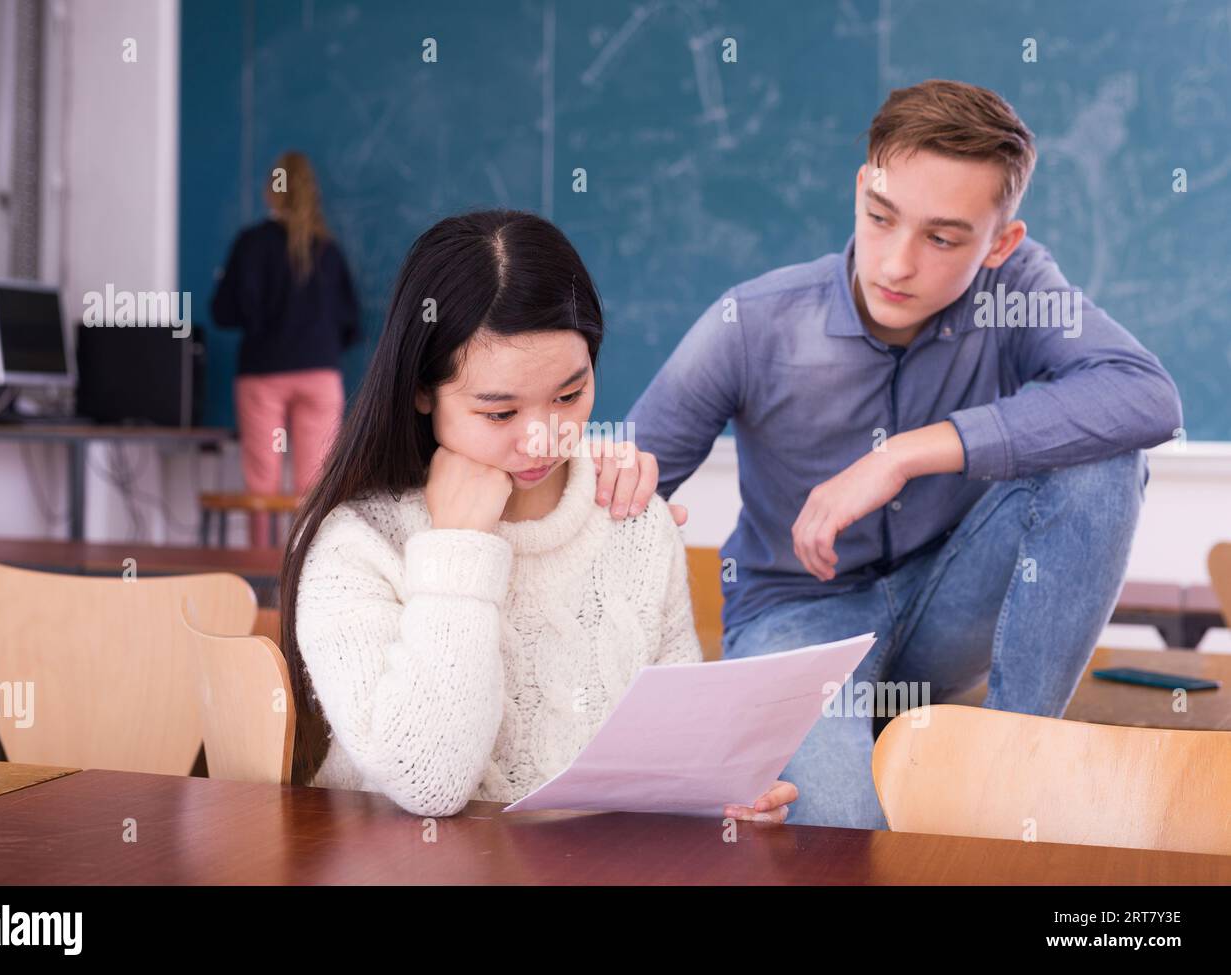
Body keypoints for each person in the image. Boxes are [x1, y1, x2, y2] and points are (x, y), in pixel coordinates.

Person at [626, 79, 1183, 830]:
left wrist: (907, 455)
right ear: (862, 186)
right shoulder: (750, 323)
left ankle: (1017, 758)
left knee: (1105, 460)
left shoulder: (1014, 290)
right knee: (849, 842)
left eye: (943, 238)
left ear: (1000, 245)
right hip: (796, 621)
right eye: (880, 217)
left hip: (942, 608)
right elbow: (617, 494)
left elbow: (1146, 397)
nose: (894, 263)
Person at [278, 209, 797, 821]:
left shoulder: (632, 519)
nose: (547, 439)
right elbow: (430, 784)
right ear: (421, 389)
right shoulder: (355, 546)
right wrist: (459, 547)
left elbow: (674, 764)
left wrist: (720, 797)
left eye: (570, 395)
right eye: (500, 414)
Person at [211, 151, 360, 546]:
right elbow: (351, 324)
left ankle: (261, 573)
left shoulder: (250, 245)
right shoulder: (327, 251)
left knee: (263, 483)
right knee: (315, 486)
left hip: (264, 374)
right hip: (319, 375)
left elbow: (223, 312)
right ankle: (310, 572)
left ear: (270, 191)